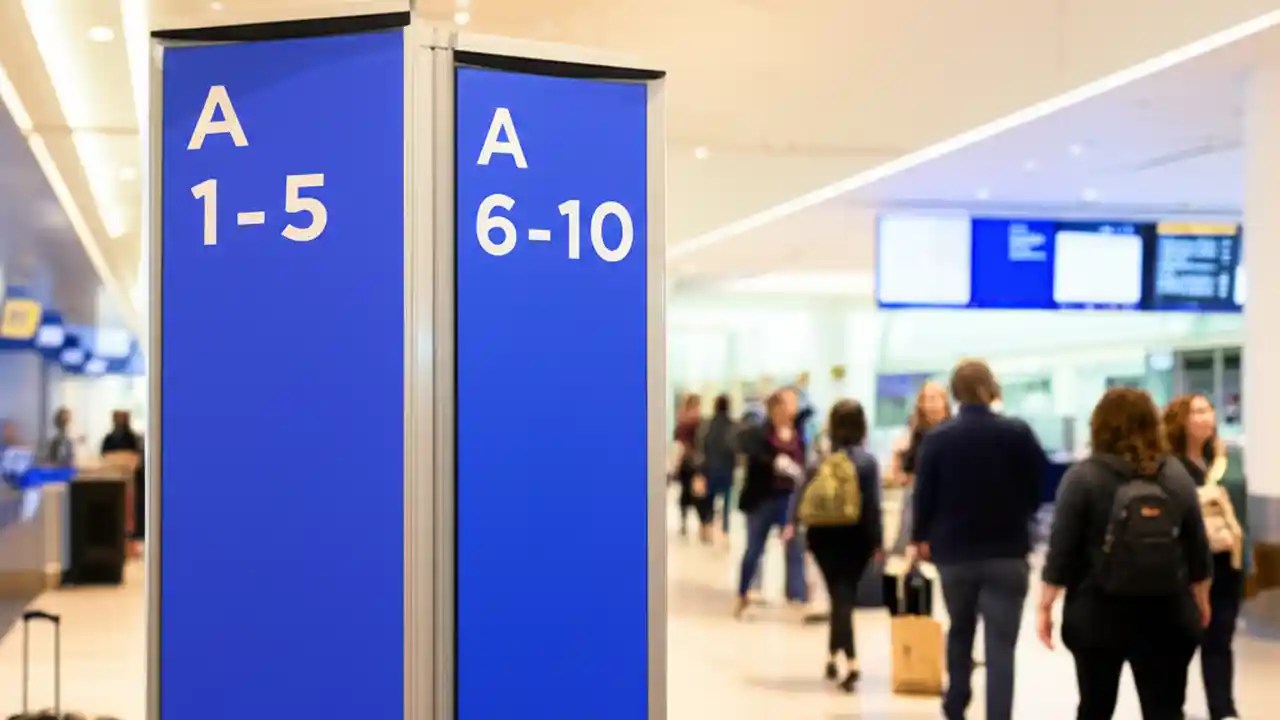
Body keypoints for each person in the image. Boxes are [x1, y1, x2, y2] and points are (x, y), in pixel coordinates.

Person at [1038, 388, 1212, 719]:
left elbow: (1061, 550)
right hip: (1168, 614)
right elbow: (1197, 546)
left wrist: (1046, 604)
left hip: (1097, 616)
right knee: (1166, 709)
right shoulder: (1176, 475)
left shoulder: (1083, 477)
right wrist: (1201, 598)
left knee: (1095, 707)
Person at [910, 359, 1046, 720]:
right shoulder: (1017, 433)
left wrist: (920, 537)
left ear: (954, 393)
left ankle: (956, 702)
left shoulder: (938, 439)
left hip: (955, 555)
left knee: (960, 629)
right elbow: (1041, 487)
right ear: (992, 388)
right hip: (1007, 553)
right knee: (1001, 646)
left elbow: (924, 496)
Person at [784, 399, 883, 692]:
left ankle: (831, 656)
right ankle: (852, 663)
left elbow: (800, 492)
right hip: (856, 537)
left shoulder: (820, 461)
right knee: (844, 597)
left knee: (838, 595)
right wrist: (877, 542)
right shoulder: (867, 462)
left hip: (822, 536)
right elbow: (872, 507)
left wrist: (792, 524)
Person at [1165, 394, 1245, 720]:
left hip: (1226, 562)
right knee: (1180, 644)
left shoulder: (1228, 459)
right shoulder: (1169, 465)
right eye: (1196, 411)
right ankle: (1171, 709)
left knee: (1220, 639)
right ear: (1180, 420)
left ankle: (1223, 709)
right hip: (1184, 566)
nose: (1205, 417)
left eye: (1209, 409)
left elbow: (1242, 514)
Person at [736, 388, 808, 616]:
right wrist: (774, 462)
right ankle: (744, 592)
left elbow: (803, 461)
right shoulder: (760, 432)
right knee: (755, 547)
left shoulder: (798, 433)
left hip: (788, 499)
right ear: (777, 407)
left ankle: (797, 595)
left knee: (794, 546)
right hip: (762, 499)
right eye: (789, 402)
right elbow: (753, 455)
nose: (794, 407)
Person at [888, 380, 950, 555]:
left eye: (935, 398)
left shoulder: (954, 431)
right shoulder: (917, 433)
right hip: (919, 499)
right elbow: (902, 474)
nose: (931, 405)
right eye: (927, 399)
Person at [673, 394, 713, 542]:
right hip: (690, 465)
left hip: (694, 465)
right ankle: (691, 523)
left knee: (696, 495)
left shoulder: (692, 424)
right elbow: (680, 447)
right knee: (690, 494)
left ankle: (700, 524)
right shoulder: (690, 424)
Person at [702, 395, 738, 539]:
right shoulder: (732, 426)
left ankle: (708, 526)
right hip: (727, 468)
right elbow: (735, 448)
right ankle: (725, 530)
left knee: (709, 498)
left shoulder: (708, 425)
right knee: (727, 501)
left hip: (710, 467)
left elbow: (704, 446)